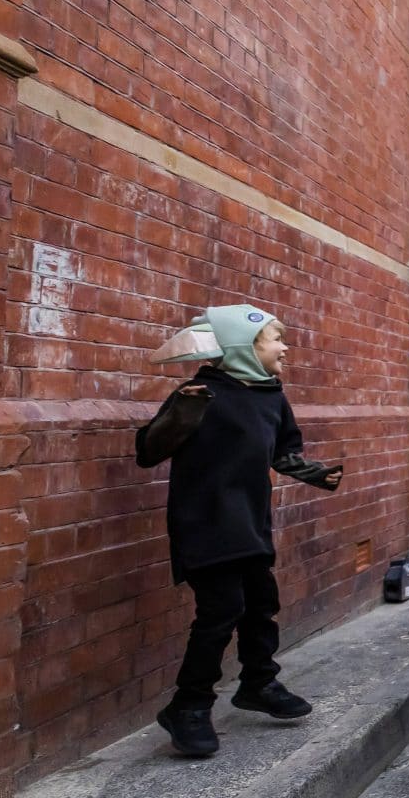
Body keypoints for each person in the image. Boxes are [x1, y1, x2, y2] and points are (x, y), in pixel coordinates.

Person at [138, 304, 344, 758]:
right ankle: (188, 706)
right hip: (204, 522)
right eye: (276, 339)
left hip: (249, 521)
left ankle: (258, 682)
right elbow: (148, 450)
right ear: (241, 347)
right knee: (221, 610)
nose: (286, 347)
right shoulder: (200, 392)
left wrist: (314, 472)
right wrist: (181, 416)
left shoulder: (271, 395)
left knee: (260, 604)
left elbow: (283, 450)